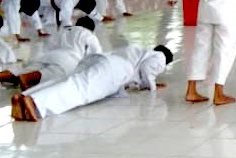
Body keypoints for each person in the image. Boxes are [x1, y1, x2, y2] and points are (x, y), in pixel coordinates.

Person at [11, 44, 173, 122]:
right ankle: (35, 103)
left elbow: (142, 69)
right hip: (114, 69)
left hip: (99, 59)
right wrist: (151, 87)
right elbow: (147, 70)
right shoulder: (160, 57)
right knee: (78, 89)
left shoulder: (140, 50)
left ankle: (24, 98)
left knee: (67, 81)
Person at [0, 16, 102, 91]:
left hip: (50, 56)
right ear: (91, 29)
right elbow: (97, 57)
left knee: (27, 69)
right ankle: (26, 78)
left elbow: (50, 45)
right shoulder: (89, 35)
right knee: (52, 74)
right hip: (68, 60)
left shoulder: (65, 30)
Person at [34, 0, 99, 29]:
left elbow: (92, 10)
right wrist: (68, 25)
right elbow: (66, 13)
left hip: (52, 6)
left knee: (49, 24)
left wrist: (100, 18)